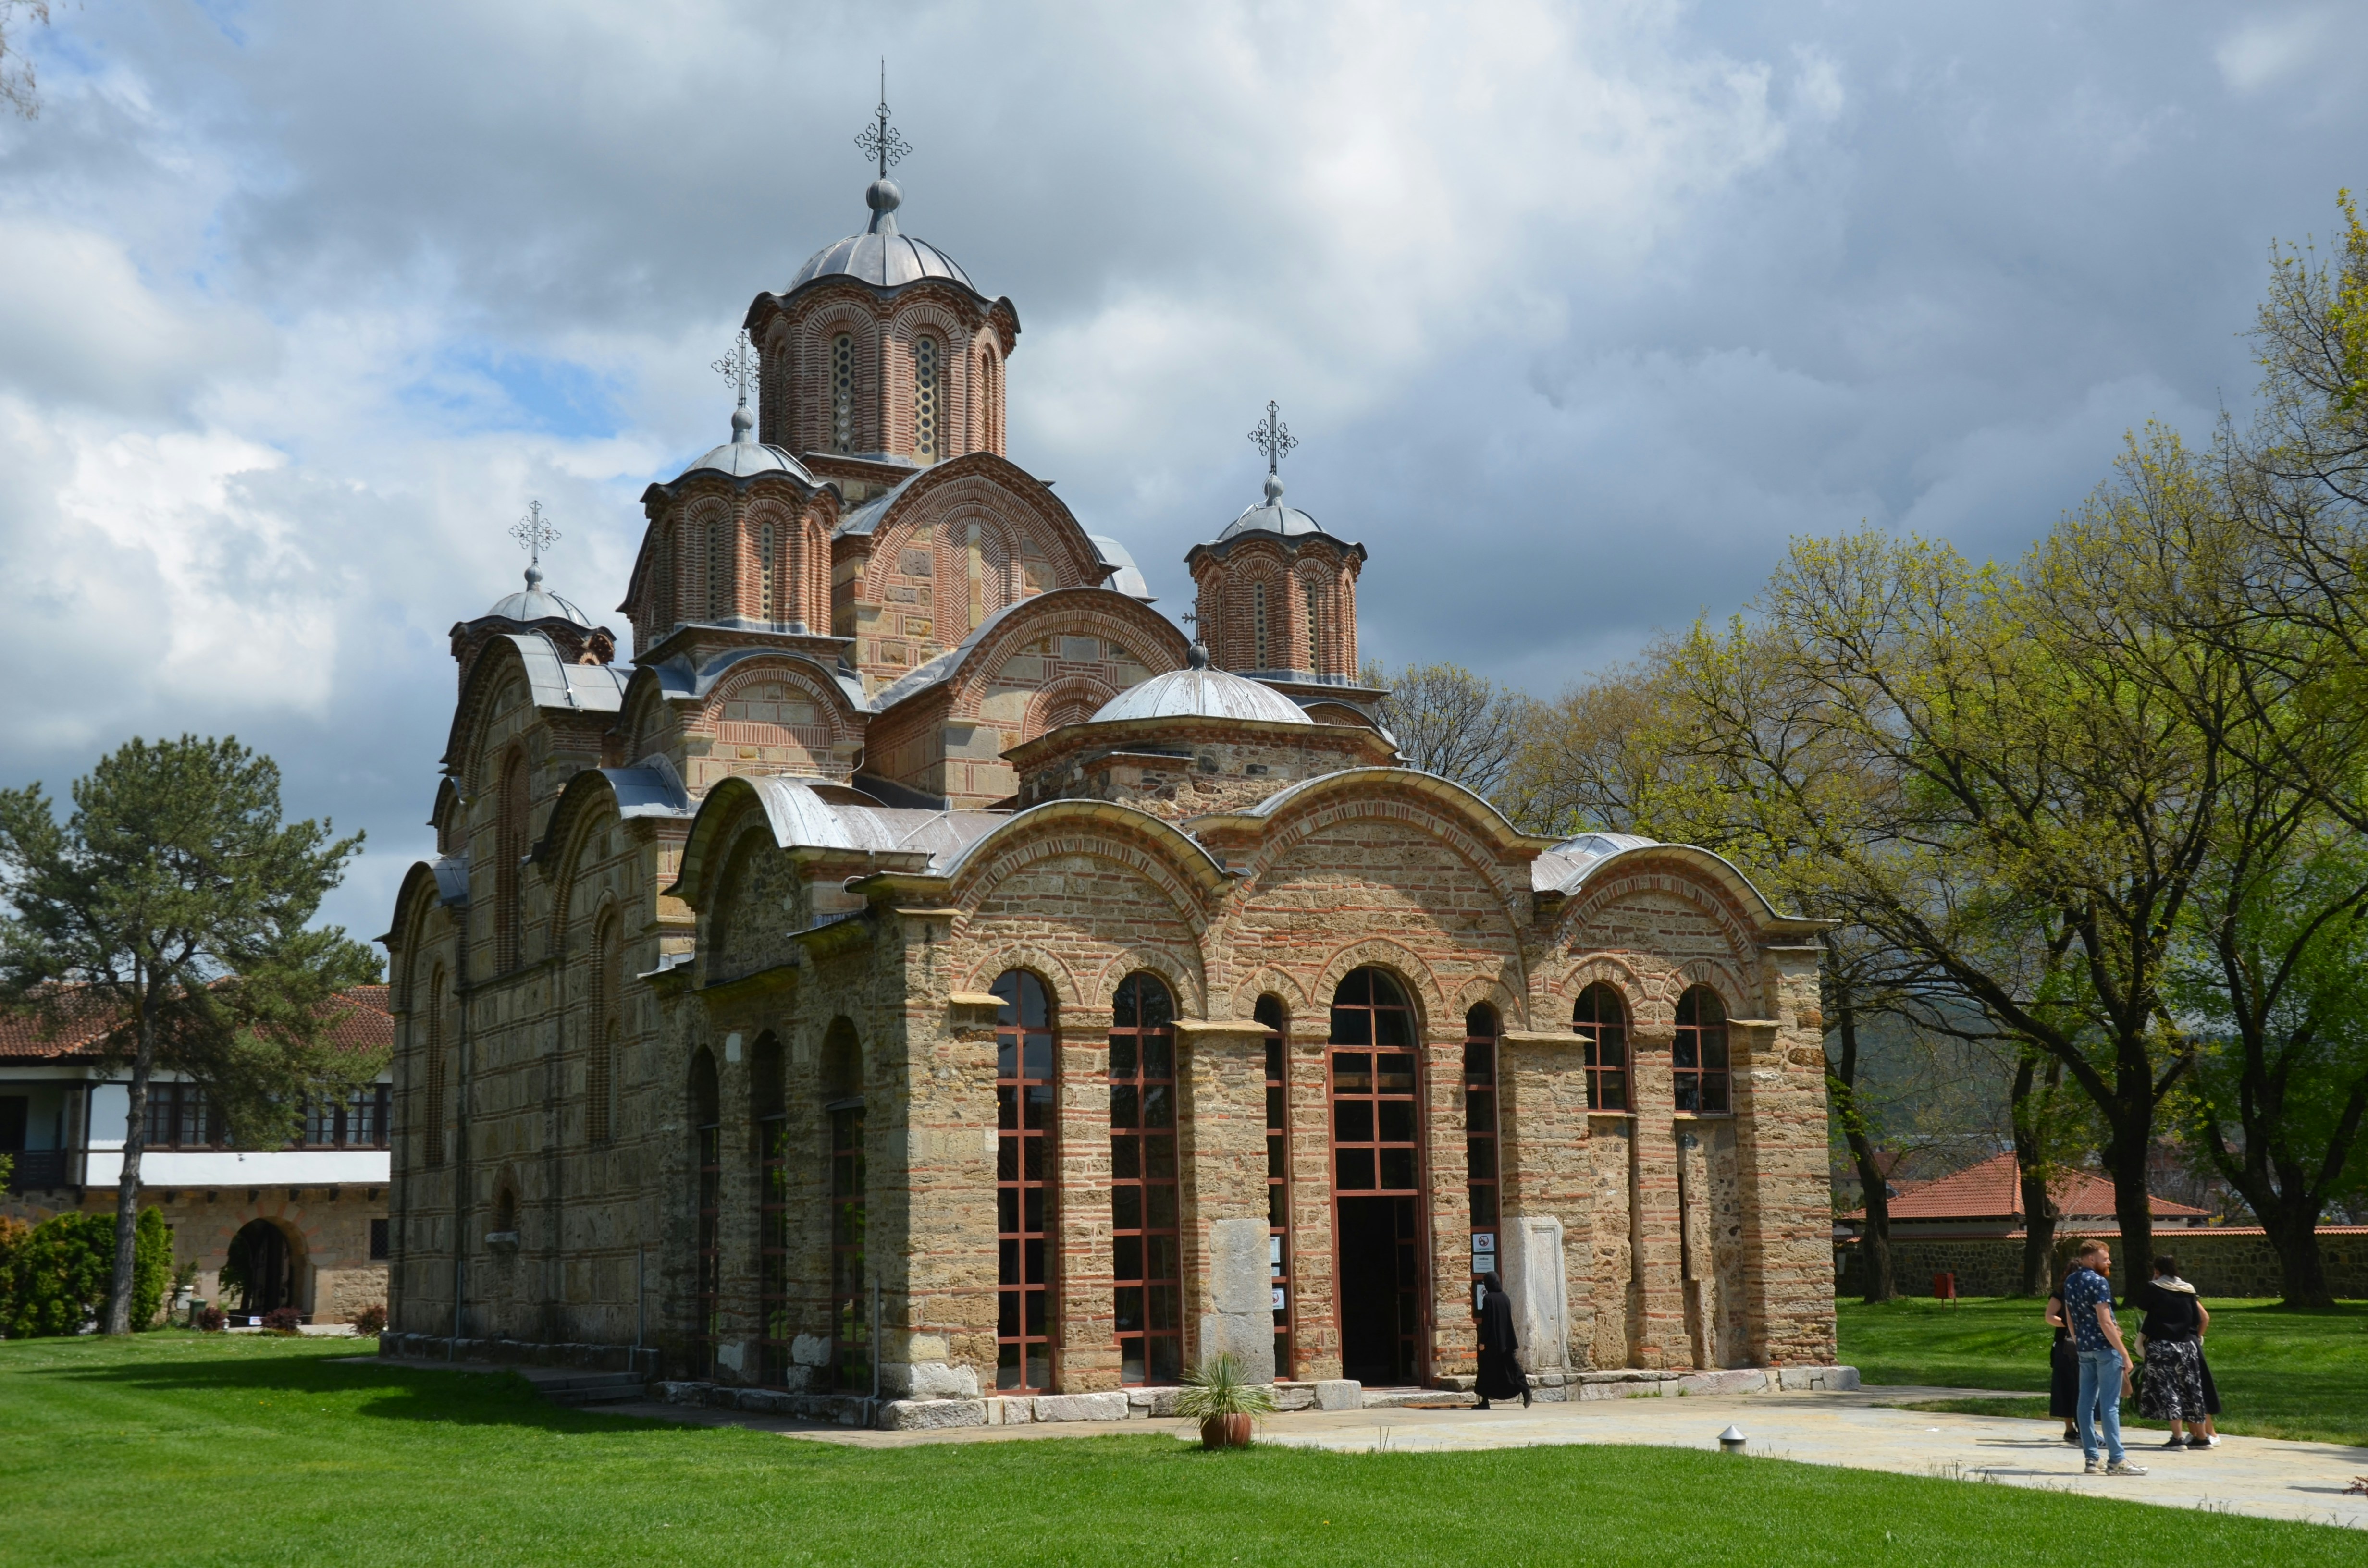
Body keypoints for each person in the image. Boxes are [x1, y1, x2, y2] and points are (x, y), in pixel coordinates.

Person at [2060, 1239, 2146, 1475]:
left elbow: (2069, 1316)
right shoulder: (2099, 1282)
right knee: (2110, 1406)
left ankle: (2092, 1459)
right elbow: (2106, 1321)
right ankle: (2117, 1460)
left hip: (2084, 1350)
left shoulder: (2070, 1281)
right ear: (2091, 1259)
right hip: (2106, 1349)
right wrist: (2124, 1353)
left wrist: (2077, 1339)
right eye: (2105, 1257)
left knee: (2085, 1404)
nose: (2109, 1261)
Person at [2133, 1255, 2216, 1449]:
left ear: (2157, 1270)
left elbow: (2143, 1306)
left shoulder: (2154, 1287)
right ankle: (2202, 1438)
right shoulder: (2188, 1289)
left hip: (2162, 1346)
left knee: (2169, 1390)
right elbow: (2196, 1318)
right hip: (2187, 1346)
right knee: (2192, 1390)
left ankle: (2177, 1438)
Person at [1473, 1271, 1529, 1411]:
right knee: (1512, 1368)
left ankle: (1485, 1401)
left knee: (1486, 1370)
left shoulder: (1488, 1299)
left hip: (1492, 1343)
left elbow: (1487, 1323)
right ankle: (1525, 1390)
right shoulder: (1505, 1297)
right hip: (1507, 1342)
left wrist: (1483, 1342)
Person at [2044, 1274, 2080, 1444]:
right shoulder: (2061, 1293)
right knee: (2066, 1386)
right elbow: (2050, 1316)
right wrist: (2071, 1326)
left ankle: (2082, 1427)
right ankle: (2070, 1429)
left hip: (2084, 1345)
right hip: (2065, 1345)